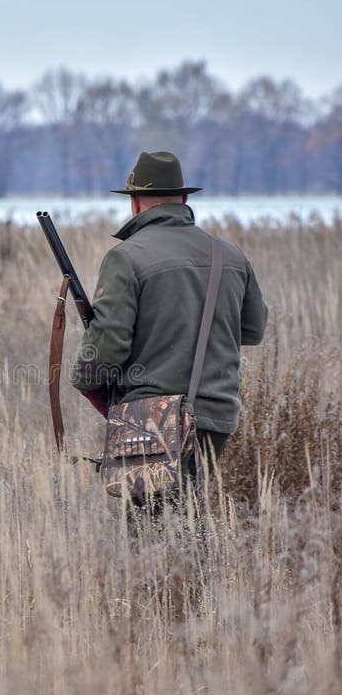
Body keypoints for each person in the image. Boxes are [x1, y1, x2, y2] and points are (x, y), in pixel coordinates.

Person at [70, 150, 268, 471]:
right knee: (192, 499)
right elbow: (253, 330)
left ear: (134, 202)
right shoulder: (230, 255)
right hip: (216, 416)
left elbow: (108, 343)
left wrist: (86, 381)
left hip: (151, 415)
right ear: (184, 199)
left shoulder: (126, 257)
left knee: (150, 504)